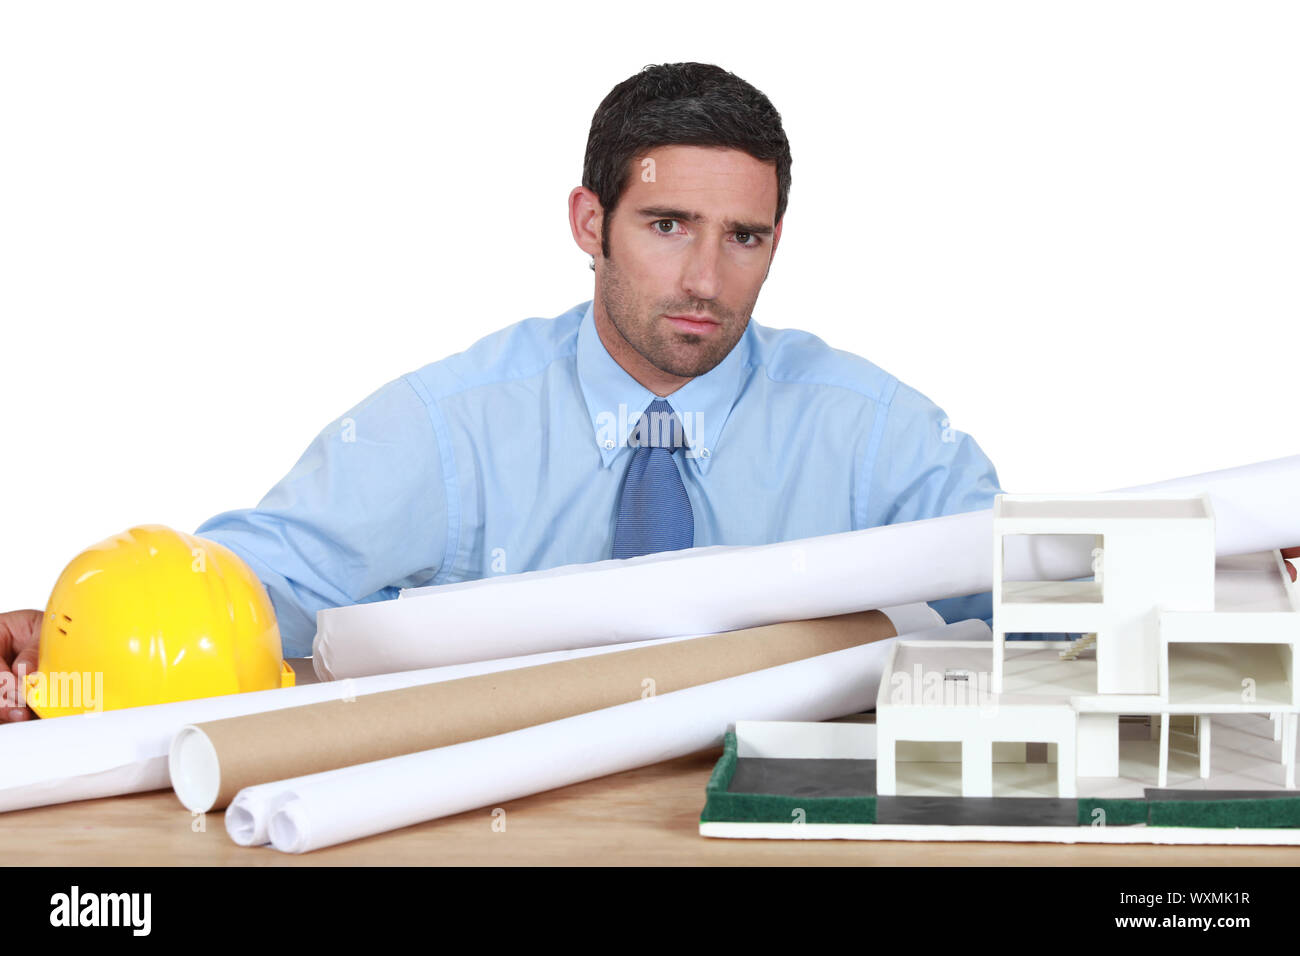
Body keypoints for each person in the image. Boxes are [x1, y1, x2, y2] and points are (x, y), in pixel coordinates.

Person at [10, 62, 1282, 722]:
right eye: (668, 225)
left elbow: (1031, 600)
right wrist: (66, 653)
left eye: (745, 237)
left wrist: (1233, 587)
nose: (706, 280)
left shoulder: (875, 433)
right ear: (590, 221)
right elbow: (252, 591)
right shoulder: (449, 426)